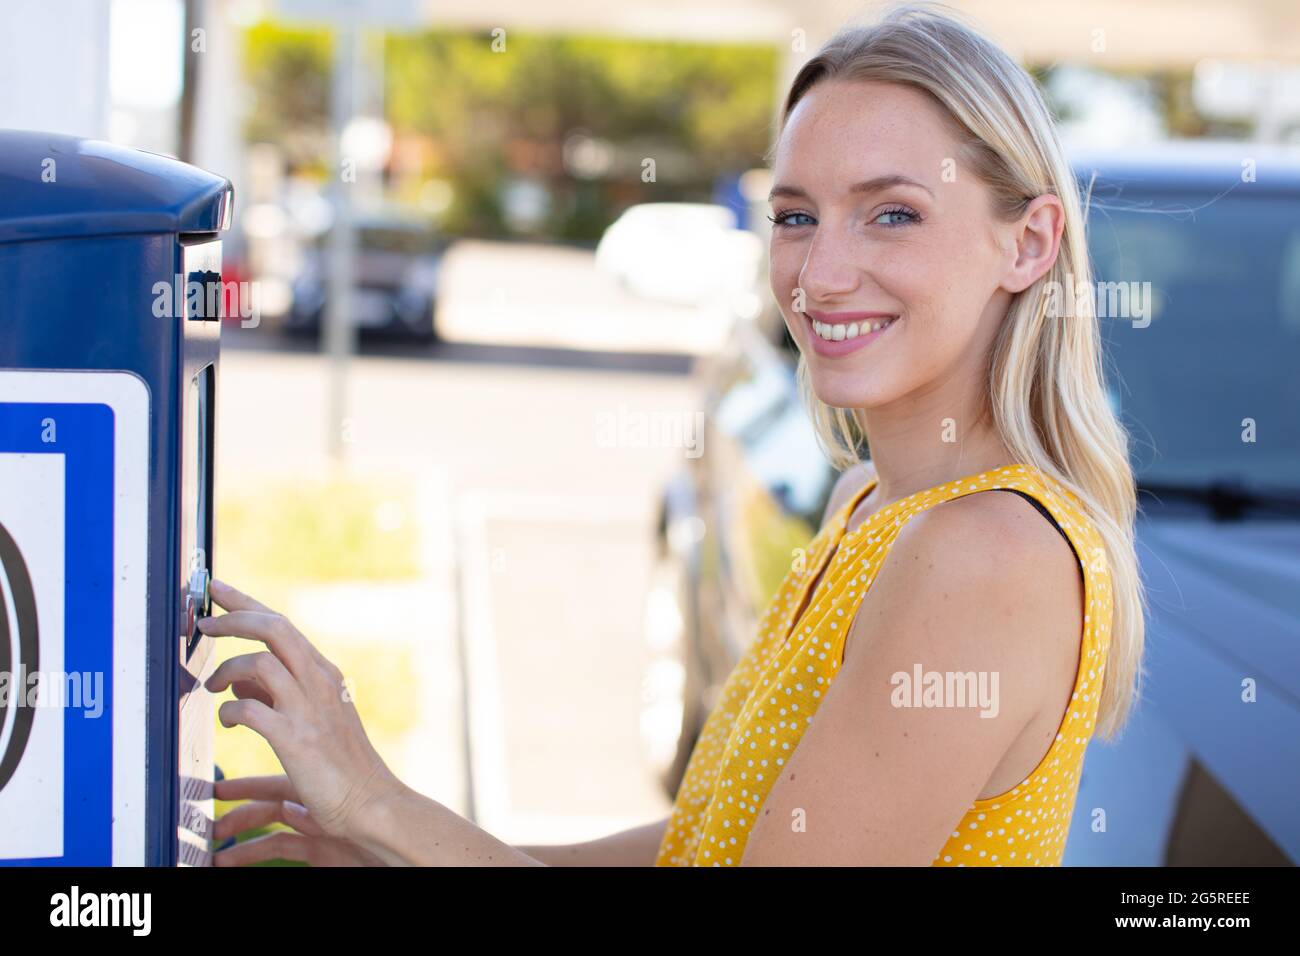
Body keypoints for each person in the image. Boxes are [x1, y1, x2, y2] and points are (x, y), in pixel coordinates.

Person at [205, 3, 1144, 867]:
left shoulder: (987, 553)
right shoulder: (872, 500)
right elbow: (709, 838)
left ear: (1027, 244)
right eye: (795, 217)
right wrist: (402, 843)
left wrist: (377, 803)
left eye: (891, 214)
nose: (819, 272)